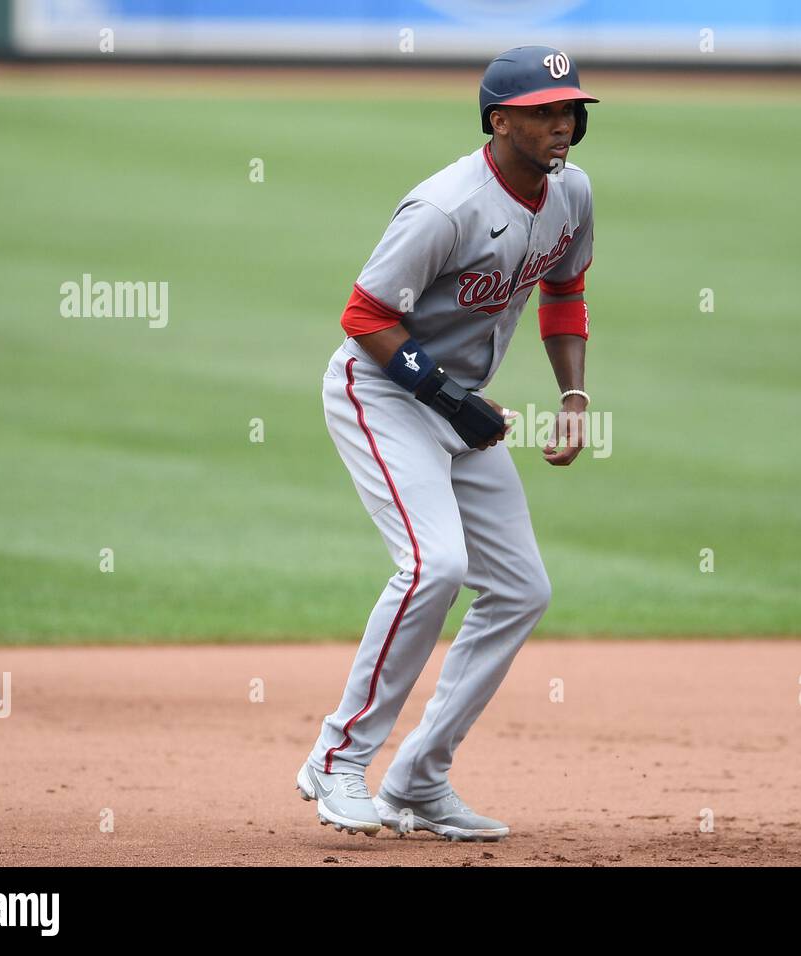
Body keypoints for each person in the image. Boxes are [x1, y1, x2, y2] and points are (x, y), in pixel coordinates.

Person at [295, 45, 599, 842]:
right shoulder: (446, 207)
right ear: (500, 122)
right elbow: (363, 317)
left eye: (571, 110)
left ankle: (419, 779)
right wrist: (444, 395)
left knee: (522, 589)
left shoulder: (572, 196)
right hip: (384, 394)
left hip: (462, 409)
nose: (563, 124)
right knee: (436, 565)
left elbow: (565, 293)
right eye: (544, 112)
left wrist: (572, 393)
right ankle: (336, 761)